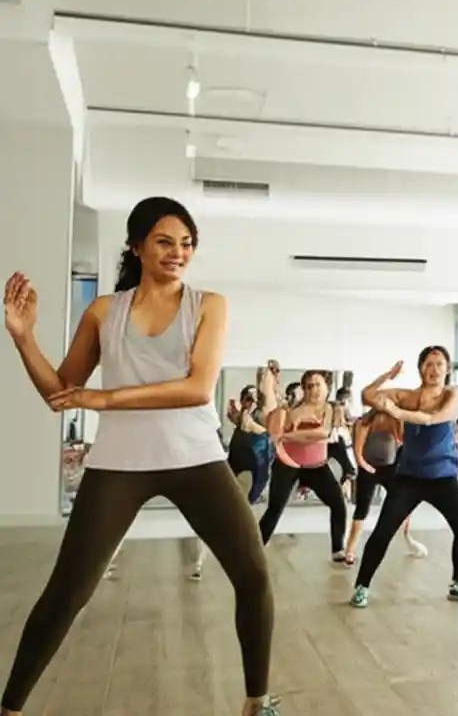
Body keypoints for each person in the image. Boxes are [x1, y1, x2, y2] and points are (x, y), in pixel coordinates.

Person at [1, 196, 278, 716]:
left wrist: (106, 399)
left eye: (187, 243)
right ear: (137, 246)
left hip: (197, 457)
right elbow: (61, 392)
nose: (179, 252)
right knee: (68, 590)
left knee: (253, 574)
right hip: (120, 462)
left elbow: (198, 389)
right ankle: (11, 707)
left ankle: (256, 702)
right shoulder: (106, 311)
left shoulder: (209, 304)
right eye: (165, 241)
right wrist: (23, 339)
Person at [350, 349, 458, 607]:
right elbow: (367, 396)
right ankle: (362, 587)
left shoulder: (453, 394)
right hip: (409, 478)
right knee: (382, 533)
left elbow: (434, 419)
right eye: (429, 364)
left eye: (440, 364)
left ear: (447, 368)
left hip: (444, 479)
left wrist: (396, 412)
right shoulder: (407, 396)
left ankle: (457, 583)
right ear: (421, 368)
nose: (434, 369)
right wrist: (388, 376)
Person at [257, 370, 349, 562]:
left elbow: (323, 433)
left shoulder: (330, 408)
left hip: (317, 467)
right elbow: (280, 426)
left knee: (338, 504)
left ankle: (337, 549)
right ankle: (254, 549)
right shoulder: (295, 409)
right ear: (304, 389)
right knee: (275, 509)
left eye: (317, 385)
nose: (313, 389)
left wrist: (289, 436)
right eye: (309, 386)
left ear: (326, 387)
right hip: (288, 465)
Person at [342, 408, 428, 564]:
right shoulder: (363, 423)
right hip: (368, 467)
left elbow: (404, 441)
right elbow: (358, 452)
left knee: (403, 501)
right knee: (362, 507)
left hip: (389, 468)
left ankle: (406, 536)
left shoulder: (396, 422)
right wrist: (365, 467)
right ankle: (350, 548)